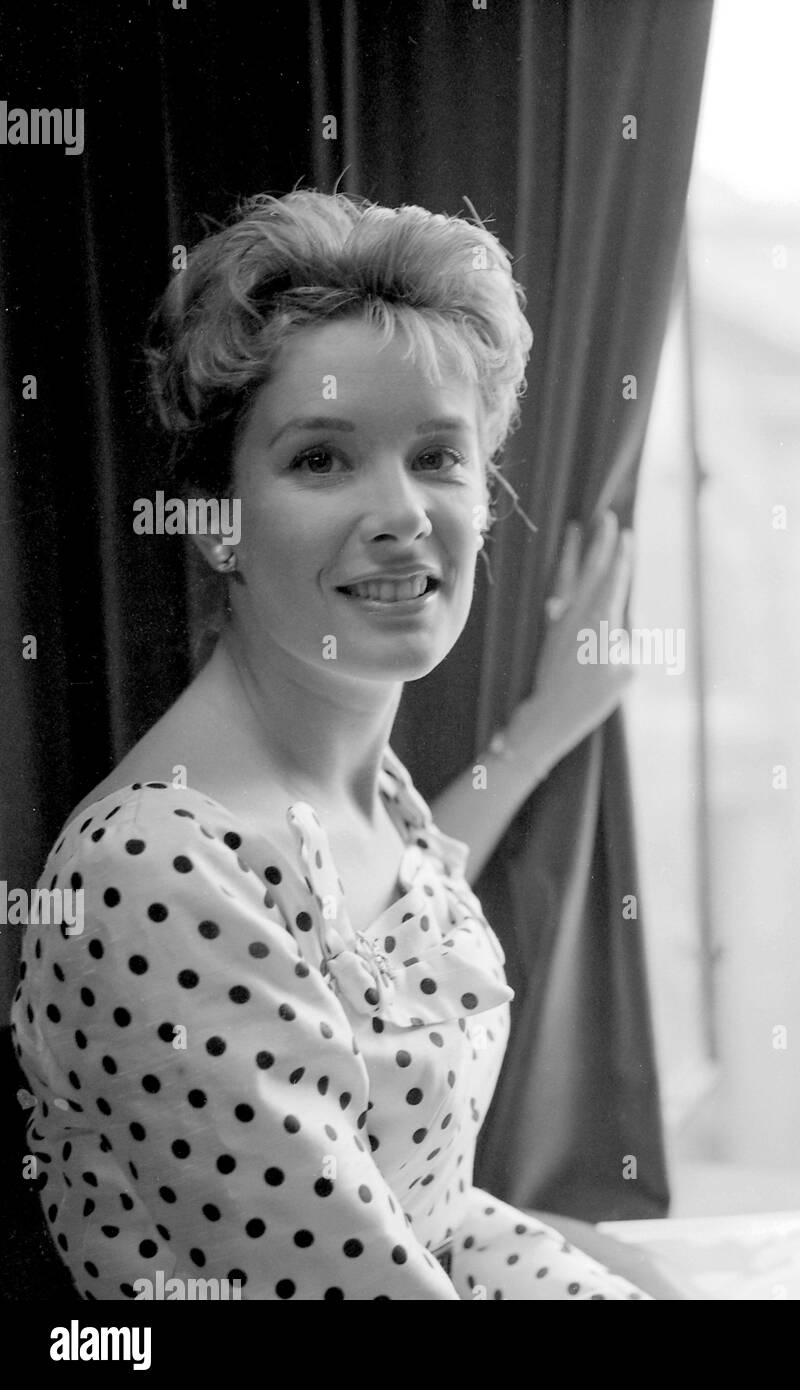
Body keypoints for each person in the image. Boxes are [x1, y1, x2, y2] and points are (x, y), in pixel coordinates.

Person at [9, 190, 654, 1300]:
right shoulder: (153, 874)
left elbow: (389, 943)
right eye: (321, 458)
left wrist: (546, 726)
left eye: (439, 456)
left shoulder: (357, 788)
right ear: (217, 519)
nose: (401, 511)